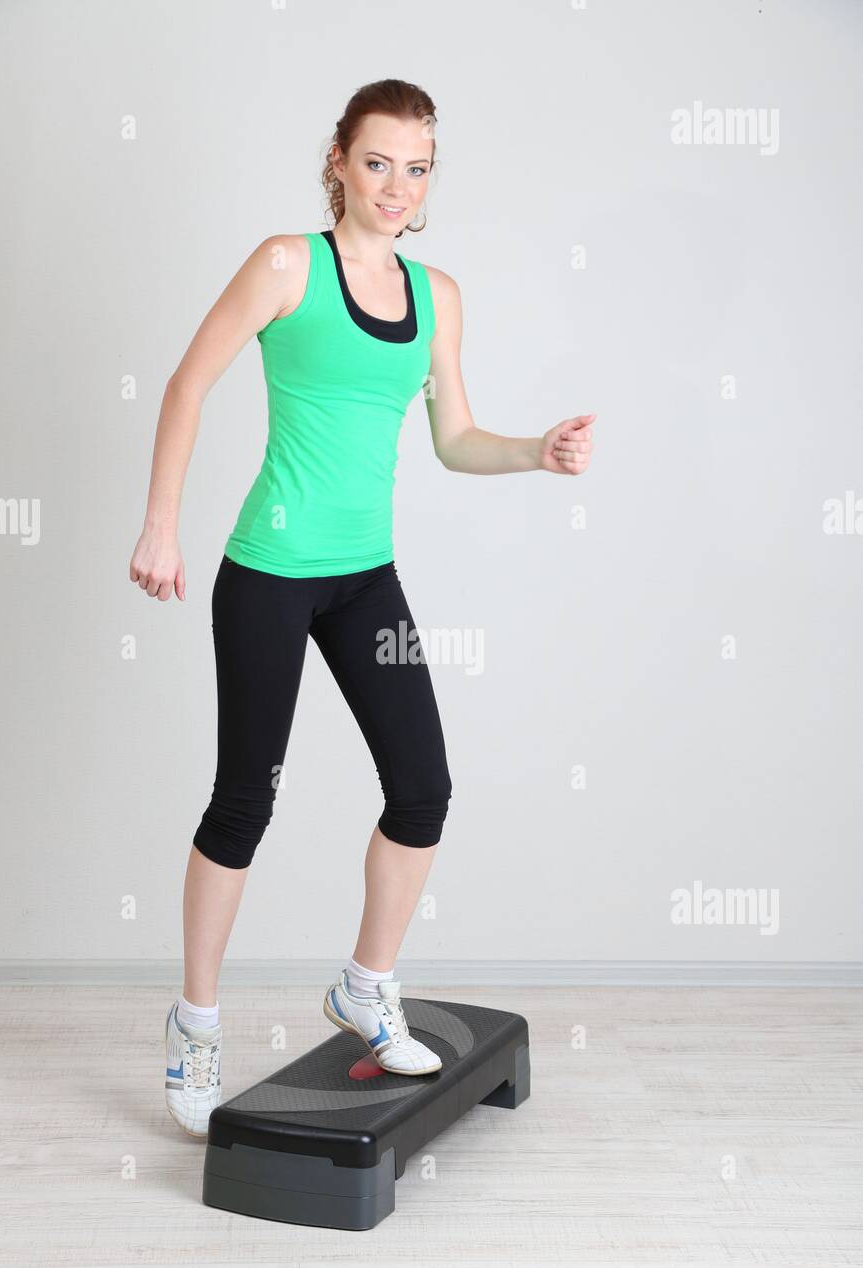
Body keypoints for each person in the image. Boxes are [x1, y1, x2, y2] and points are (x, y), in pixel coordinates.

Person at [129, 78, 595, 1138]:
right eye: (378, 161)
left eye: (417, 167)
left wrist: (533, 452)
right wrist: (163, 524)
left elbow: (451, 436)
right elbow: (187, 383)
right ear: (339, 157)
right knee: (244, 801)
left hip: (362, 579)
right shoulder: (286, 263)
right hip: (269, 575)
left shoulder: (436, 295)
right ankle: (195, 1022)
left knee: (423, 786)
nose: (397, 186)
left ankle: (363, 987)